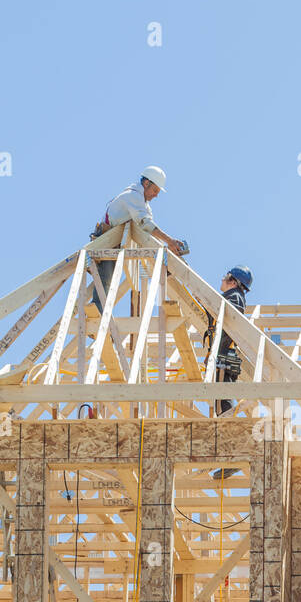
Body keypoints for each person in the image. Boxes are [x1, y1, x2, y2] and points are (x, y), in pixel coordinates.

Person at [88, 166, 187, 312]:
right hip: (106, 239)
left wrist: (168, 249)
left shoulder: (143, 204)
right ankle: (96, 311)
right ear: (146, 183)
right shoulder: (133, 196)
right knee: (107, 278)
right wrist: (169, 241)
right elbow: (145, 223)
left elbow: (148, 233)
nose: (156, 195)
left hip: (115, 241)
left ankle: (165, 267)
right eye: (155, 191)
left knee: (109, 278)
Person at [206, 266, 253, 479]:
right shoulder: (233, 297)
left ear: (233, 281)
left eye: (225, 277)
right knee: (222, 407)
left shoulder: (233, 297)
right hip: (224, 358)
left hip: (224, 360)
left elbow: (229, 320)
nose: (222, 279)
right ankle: (234, 454)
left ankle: (237, 453)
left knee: (223, 407)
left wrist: (217, 351)